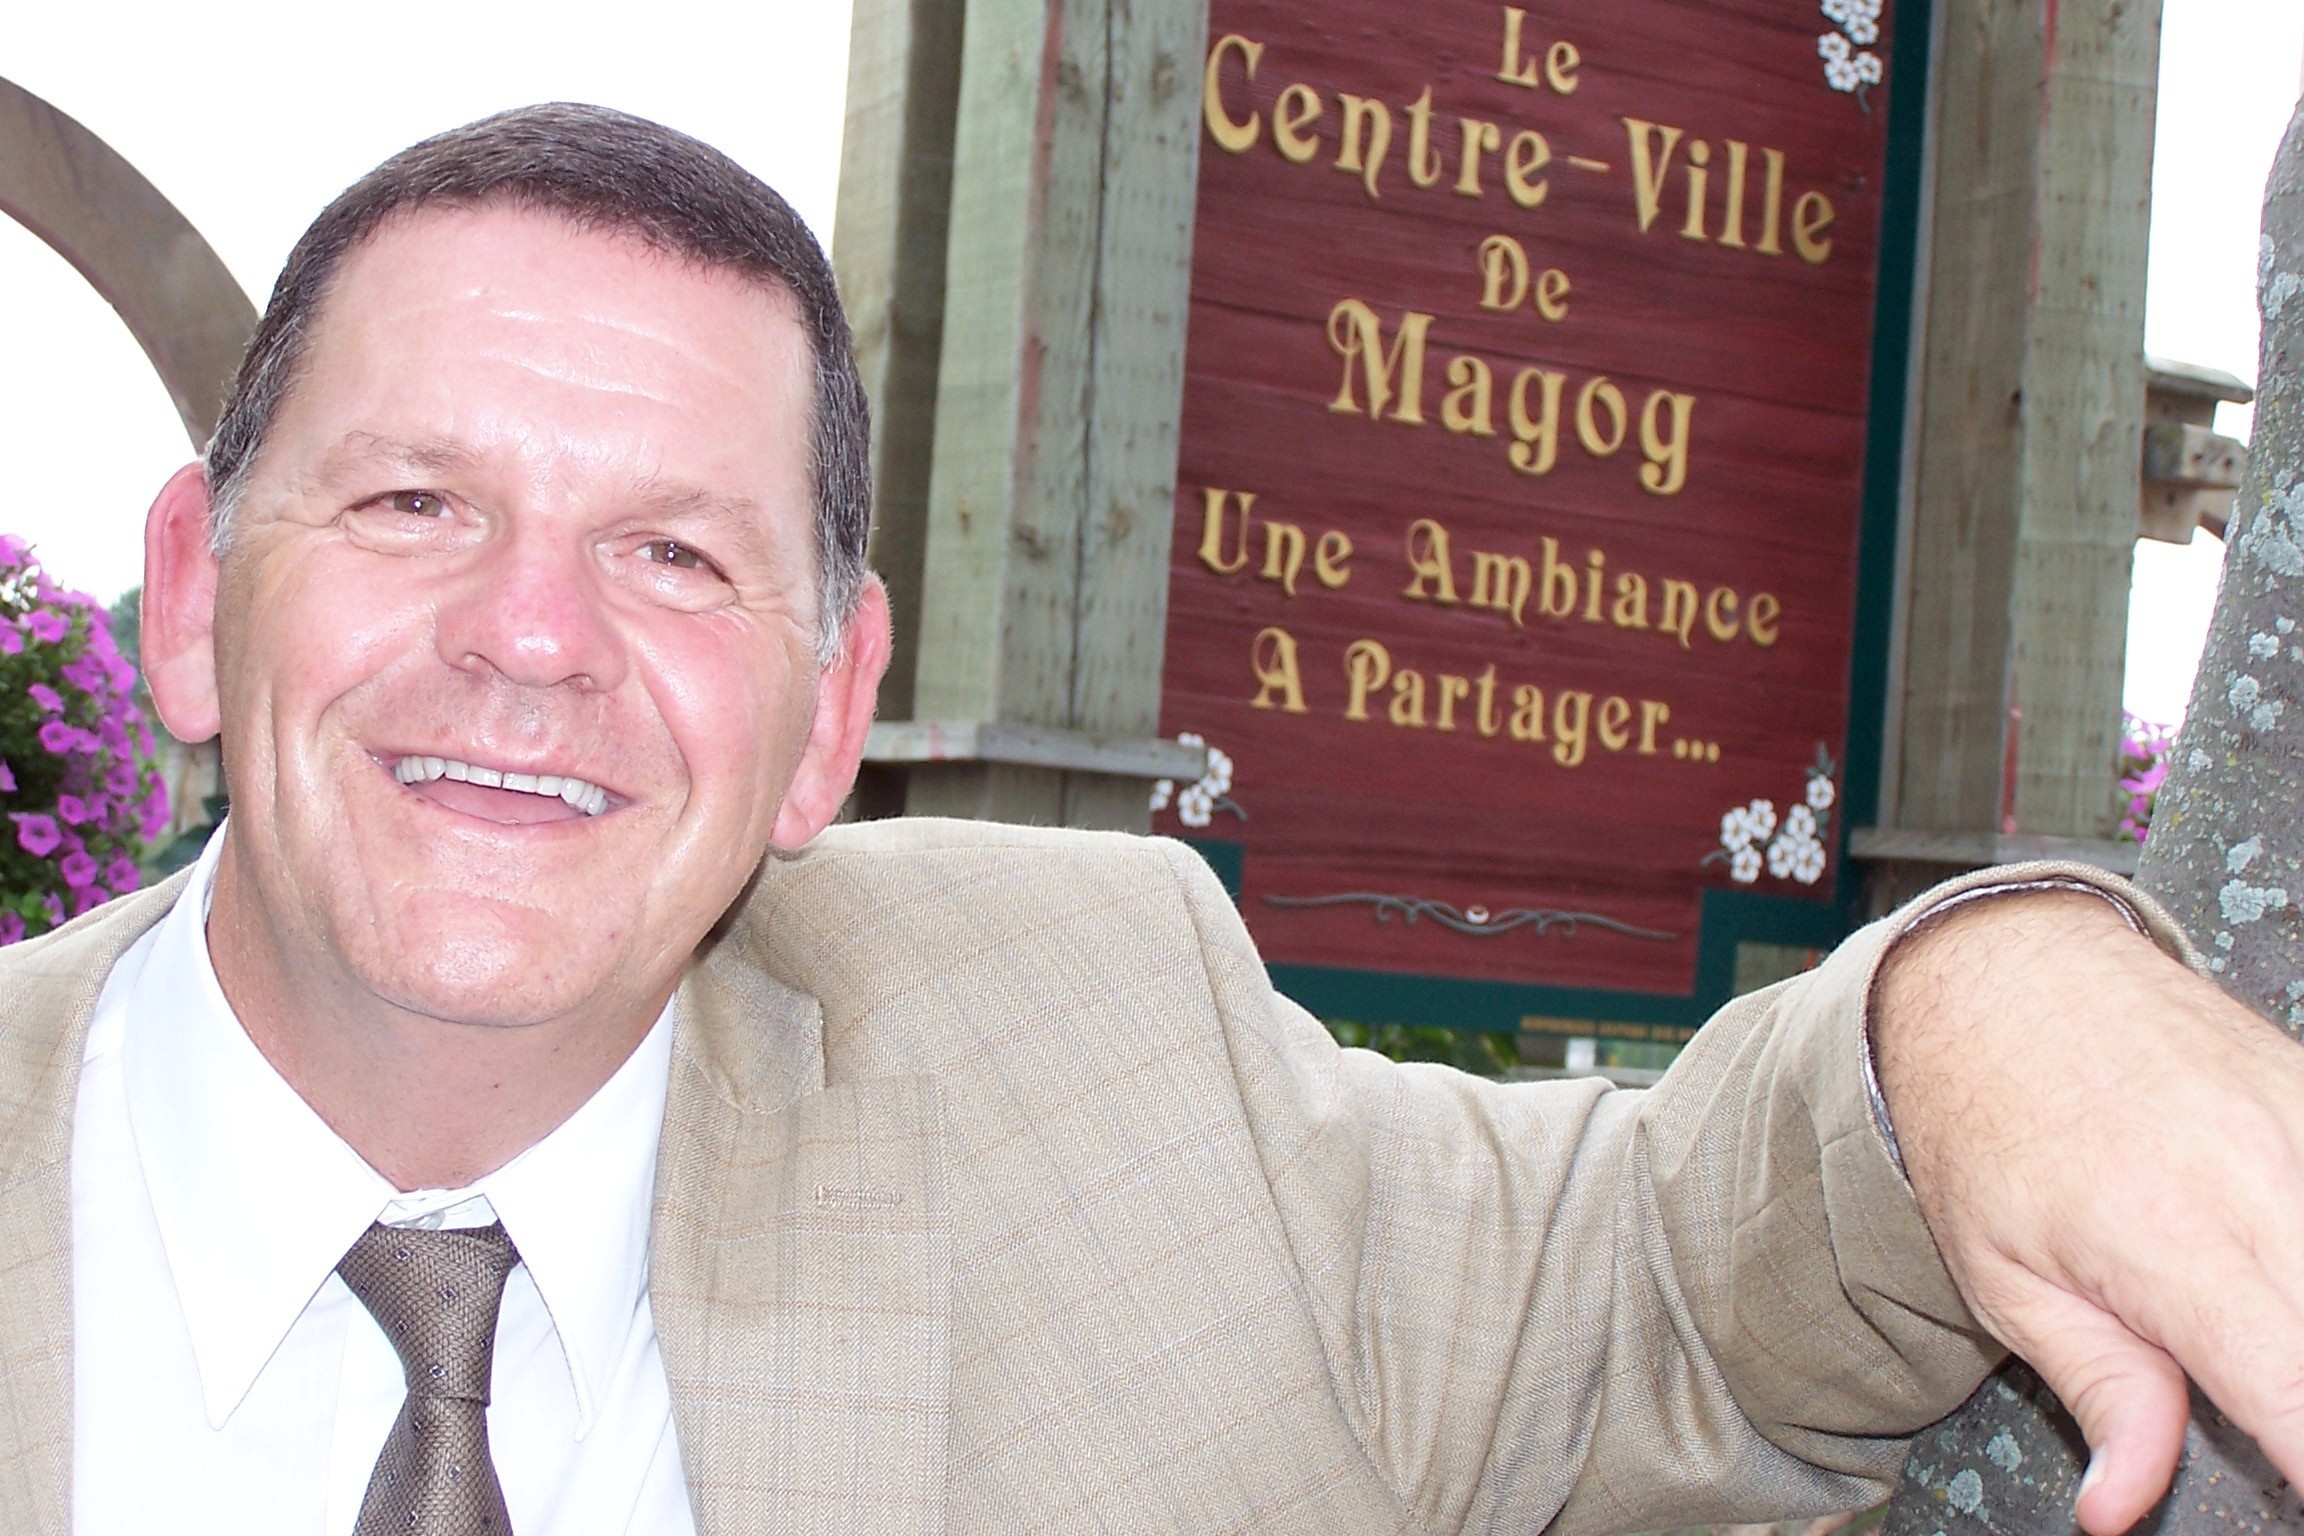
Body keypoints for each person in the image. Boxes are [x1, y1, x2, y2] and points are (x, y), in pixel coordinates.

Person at [2, 104, 2299, 1536]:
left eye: (679, 554)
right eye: (415, 502)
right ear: (194, 602)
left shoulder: (1095, 1073)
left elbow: (1678, 1273)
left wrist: (2010, 1021)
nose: (533, 635)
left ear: (834, 722)